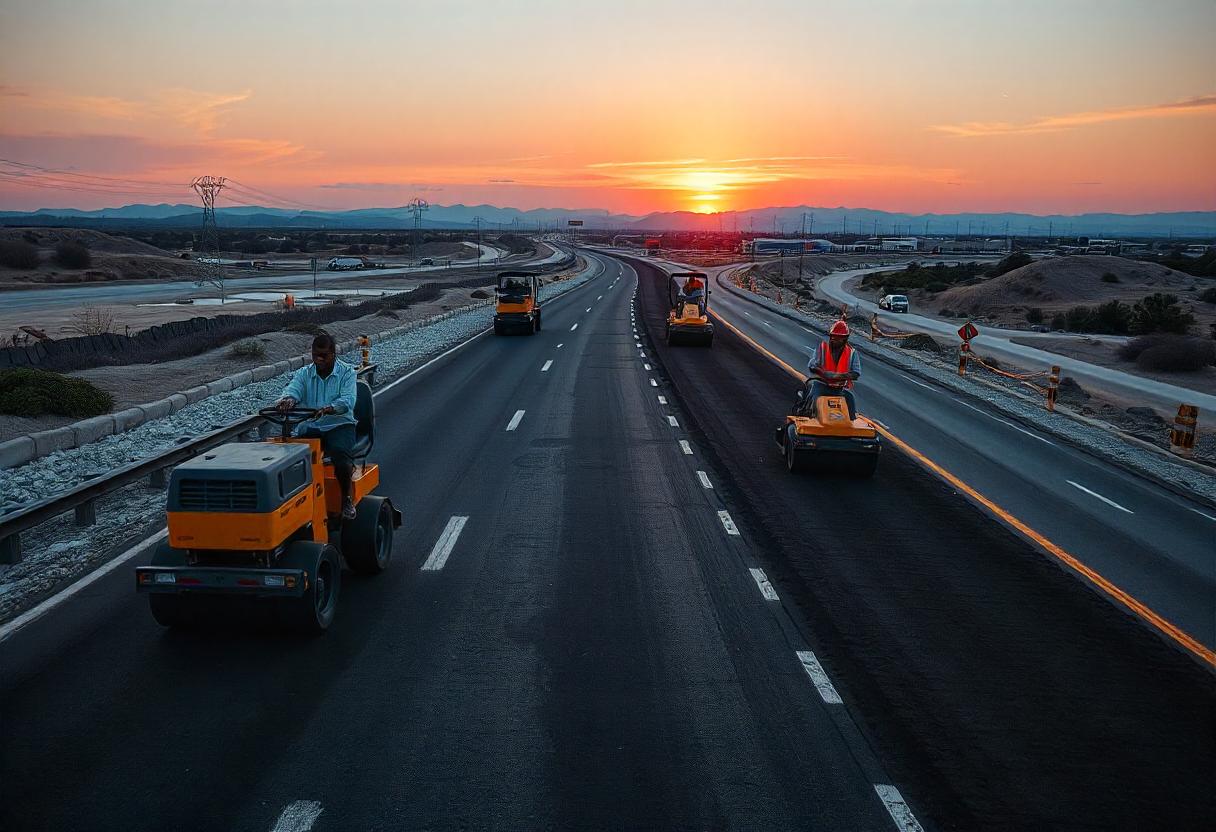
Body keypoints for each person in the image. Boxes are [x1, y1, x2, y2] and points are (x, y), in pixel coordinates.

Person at [276, 332, 359, 519]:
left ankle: (346, 498)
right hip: (311, 426)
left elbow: (348, 400)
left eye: (323, 355)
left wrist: (330, 408)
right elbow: (293, 388)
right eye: (315, 355)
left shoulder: (347, 373)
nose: (319, 359)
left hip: (339, 424)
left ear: (333, 354)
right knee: (290, 459)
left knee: (340, 454)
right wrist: (288, 399)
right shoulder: (304, 374)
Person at [799, 319, 861, 420]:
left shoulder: (852, 353)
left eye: (838, 338)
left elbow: (856, 373)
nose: (834, 339)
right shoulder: (823, 348)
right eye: (833, 336)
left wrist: (838, 376)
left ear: (845, 339)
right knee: (813, 398)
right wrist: (823, 373)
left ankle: (850, 424)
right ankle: (806, 415)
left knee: (850, 400)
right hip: (822, 385)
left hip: (840, 389)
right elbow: (812, 365)